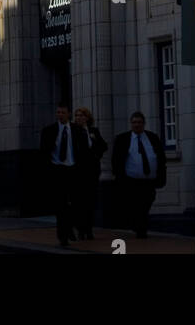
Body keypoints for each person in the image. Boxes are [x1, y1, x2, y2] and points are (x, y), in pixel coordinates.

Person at [111, 110, 166, 239]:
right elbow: (116, 159)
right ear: (131, 124)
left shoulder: (152, 137)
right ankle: (141, 230)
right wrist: (118, 177)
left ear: (144, 124)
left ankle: (140, 226)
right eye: (134, 122)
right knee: (134, 205)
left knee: (146, 204)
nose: (137, 125)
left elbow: (160, 157)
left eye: (139, 122)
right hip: (131, 180)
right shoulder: (123, 139)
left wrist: (161, 175)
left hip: (149, 180)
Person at [40, 104, 83, 247]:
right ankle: (62, 236)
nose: (60, 115)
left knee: (75, 203)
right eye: (58, 112)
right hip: (57, 171)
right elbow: (44, 152)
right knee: (60, 205)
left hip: (73, 170)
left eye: (63, 112)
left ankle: (70, 227)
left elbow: (83, 151)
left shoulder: (77, 130)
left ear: (68, 114)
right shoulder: (49, 131)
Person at [73, 106, 108, 240]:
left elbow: (103, 146)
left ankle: (89, 228)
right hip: (78, 172)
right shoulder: (73, 132)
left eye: (82, 115)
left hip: (92, 171)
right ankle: (81, 228)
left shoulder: (93, 131)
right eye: (77, 115)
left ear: (87, 118)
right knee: (79, 202)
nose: (79, 118)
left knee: (90, 202)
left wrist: (95, 152)